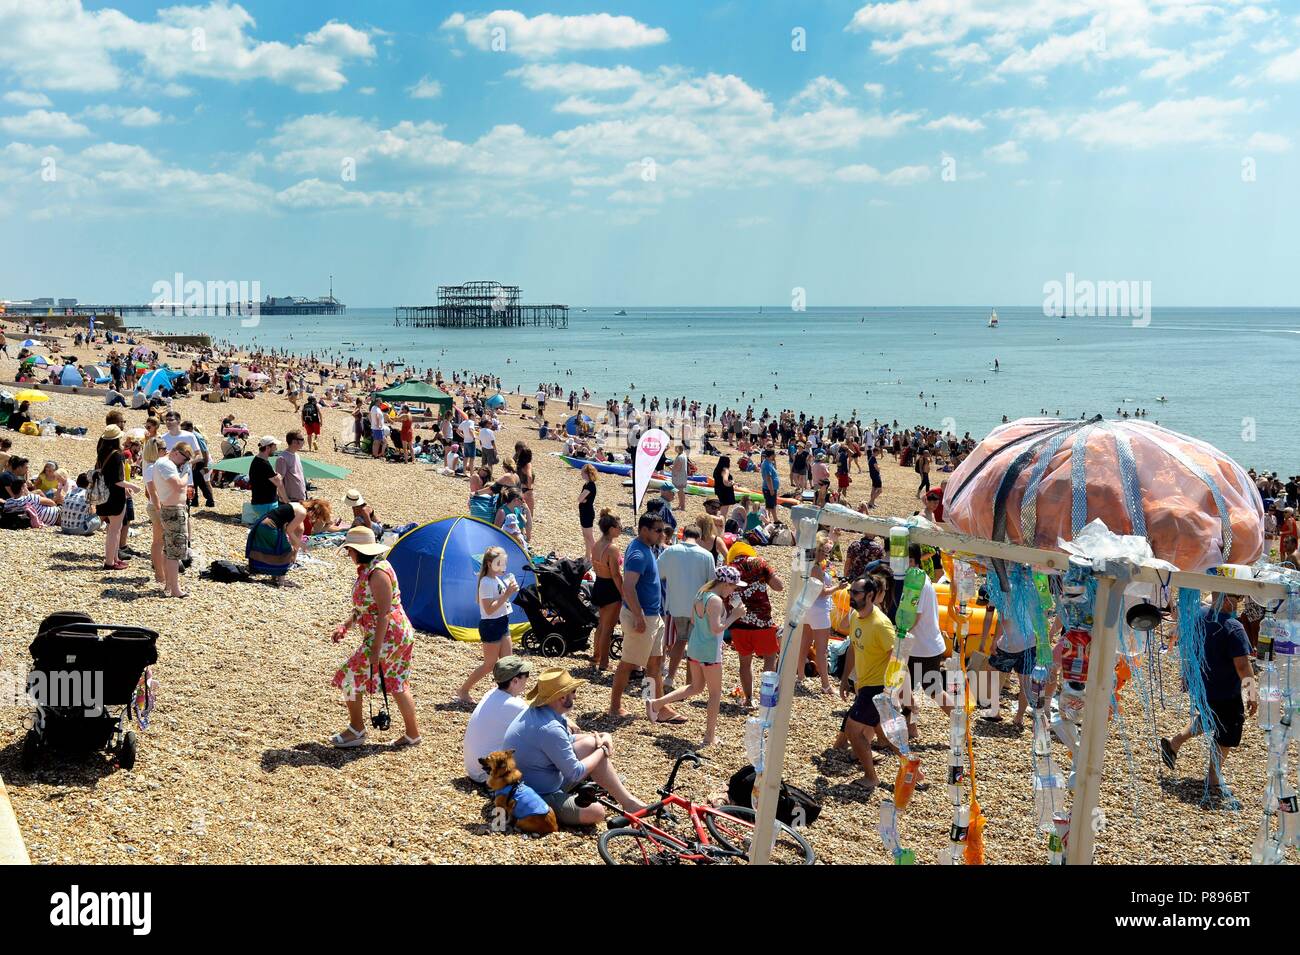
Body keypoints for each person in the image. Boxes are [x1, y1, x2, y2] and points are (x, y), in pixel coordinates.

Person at [503, 667, 646, 826]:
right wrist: (603, 750)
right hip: (533, 795)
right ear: (562, 697)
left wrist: (599, 737)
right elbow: (575, 773)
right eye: (574, 691)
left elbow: (565, 740)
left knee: (590, 743)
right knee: (597, 812)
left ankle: (628, 801)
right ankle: (625, 799)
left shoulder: (540, 712)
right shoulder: (550, 728)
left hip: (526, 782)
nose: (576, 696)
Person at [1161, 593, 1258, 806]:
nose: (1239, 602)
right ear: (1224, 598)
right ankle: (1213, 778)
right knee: (1228, 732)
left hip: (1202, 685)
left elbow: (1187, 646)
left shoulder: (1198, 616)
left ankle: (1174, 741)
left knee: (1208, 716)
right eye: (1237, 597)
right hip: (1226, 690)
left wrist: (1187, 675)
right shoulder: (1234, 627)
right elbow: (1243, 666)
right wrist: (1252, 694)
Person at [330, 526, 420, 747]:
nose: (348, 554)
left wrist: (376, 648)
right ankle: (412, 735)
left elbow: (384, 613)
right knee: (397, 682)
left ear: (358, 550)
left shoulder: (377, 572)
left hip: (388, 636)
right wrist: (346, 625)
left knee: (348, 678)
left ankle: (357, 729)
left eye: (349, 550)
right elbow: (364, 607)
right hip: (395, 634)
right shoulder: (369, 568)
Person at [647, 565, 747, 747]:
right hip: (709, 652)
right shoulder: (715, 600)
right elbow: (717, 628)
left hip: (695, 647)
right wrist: (735, 615)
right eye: (733, 586)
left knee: (695, 687)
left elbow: (695, 621)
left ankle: (656, 703)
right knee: (715, 694)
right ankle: (709, 736)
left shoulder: (700, 595)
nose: (734, 590)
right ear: (725, 583)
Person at [839, 575, 897, 794]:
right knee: (887, 733)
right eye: (850, 592)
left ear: (871, 595)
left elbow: (897, 656)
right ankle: (914, 769)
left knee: (854, 732)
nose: (851, 596)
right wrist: (845, 679)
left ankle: (871, 778)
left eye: (856, 593)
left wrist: (891, 689)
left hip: (878, 687)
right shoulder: (855, 616)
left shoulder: (881, 624)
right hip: (864, 684)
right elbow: (853, 648)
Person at [610, 512, 667, 718]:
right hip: (642, 616)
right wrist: (639, 616)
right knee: (628, 663)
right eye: (658, 530)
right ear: (644, 530)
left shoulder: (646, 548)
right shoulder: (639, 554)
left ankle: (654, 706)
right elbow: (628, 586)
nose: (662, 534)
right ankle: (614, 707)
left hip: (652, 615)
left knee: (654, 664)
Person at [899, 543, 953, 739]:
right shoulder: (917, 578)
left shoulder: (918, 582)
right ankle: (911, 728)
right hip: (921, 644)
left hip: (925, 647)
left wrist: (897, 633)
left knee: (934, 691)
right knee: (904, 689)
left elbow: (915, 617)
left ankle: (961, 726)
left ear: (913, 561)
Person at [657, 525, 718, 693]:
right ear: (699, 537)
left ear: (683, 535)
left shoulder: (670, 552)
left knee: (680, 641)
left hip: (675, 605)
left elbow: (659, 573)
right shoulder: (706, 555)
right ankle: (691, 682)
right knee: (694, 644)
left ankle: (669, 678)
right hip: (698, 607)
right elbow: (711, 583)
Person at [456, 546, 520, 703]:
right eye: (500, 563)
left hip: (503, 621)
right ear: (490, 563)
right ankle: (463, 690)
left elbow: (499, 604)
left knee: (508, 663)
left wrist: (509, 591)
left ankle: (507, 697)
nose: (503, 567)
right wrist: (506, 594)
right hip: (491, 625)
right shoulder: (485, 582)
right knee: (490, 664)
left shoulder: (497, 579)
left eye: (504, 563)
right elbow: (489, 609)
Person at [729, 548, 785, 710]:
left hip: (739, 623)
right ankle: (766, 699)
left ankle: (749, 699)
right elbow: (779, 586)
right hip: (763, 622)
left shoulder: (731, 567)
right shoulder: (759, 562)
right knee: (769, 658)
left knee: (745, 663)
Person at [463, 655, 533, 784]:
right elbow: (541, 723)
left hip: (473, 768)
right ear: (515, 681)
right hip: (488, 775)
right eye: (526, 676)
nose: (528, 679)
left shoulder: (491, 693)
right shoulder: (514, 705)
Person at [800, 533, 847, 695]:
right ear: (817, 551)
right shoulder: (816, 568)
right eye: (824, 552)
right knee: (822, 649)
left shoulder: (806, 564)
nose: (826, 555)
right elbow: (822, 592)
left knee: (805, 643)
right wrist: (838, 588)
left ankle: (800, 675)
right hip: (819, 610)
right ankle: (826, 684)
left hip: (807, 608)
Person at [151, 441, 193, 598]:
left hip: (170, 508)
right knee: (175, 551)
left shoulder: (163, 463)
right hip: (174, 510)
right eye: (184, 459)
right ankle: (175, 589)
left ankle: (169, 585)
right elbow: (179, 485)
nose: (184, 463)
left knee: (169, 549)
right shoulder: (166, 464)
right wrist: (186, 473)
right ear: (176, 453)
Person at [95, 425, 137, 570]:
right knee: (114, 530)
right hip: (115, 497)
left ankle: (115, 558)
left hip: (103, 495)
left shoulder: (101, 453)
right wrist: (132, 487)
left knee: (112, 529)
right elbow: (117, 480)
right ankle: (109, 562)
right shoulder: (117, 455)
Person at [590, 509, 624, 672]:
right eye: (618, 526)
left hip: (599, 584)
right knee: (608, 628)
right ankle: (604, 662)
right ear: (611, 528)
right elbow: (616, 575)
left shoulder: (597, 544)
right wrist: (624, 593)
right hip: (610, 587)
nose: (621, 528)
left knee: (601, 624)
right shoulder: (612, 548)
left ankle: (596, 655)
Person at [247, 501, 306, 584]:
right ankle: (281, 581)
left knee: (275, 549)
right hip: (269, 526)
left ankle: (274, 576)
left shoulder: (296, 505)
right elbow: (289, 530)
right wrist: (301, 544)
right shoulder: (303, 512)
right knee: (287, 550)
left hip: (262, 524)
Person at [249, 435, 281, 518]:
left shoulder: (257, 460)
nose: (276, 449)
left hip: (260, 503)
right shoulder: (263, 464)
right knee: (270, 528)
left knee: (264, 527)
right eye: (274, 446)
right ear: (268, 447)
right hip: (266, 504)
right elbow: (278, 482)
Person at [275, 430, 308, 503]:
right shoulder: (282, 458)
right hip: (291, 501)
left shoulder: (296, 455)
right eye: (302, 439)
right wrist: (286, 500)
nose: (303, 442)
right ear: (294, 441)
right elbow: (278, 481)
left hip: (300, 499)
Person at [577, 462, 598, 564]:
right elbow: (581, 500)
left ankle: (597, 558)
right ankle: (587, 557)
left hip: (588, 513)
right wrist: (583, 500)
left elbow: (580, 499)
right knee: (586, 536)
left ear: (587, 474)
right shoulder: (586, 484)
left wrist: (583, 500)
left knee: (590, 537)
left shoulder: (590, 486)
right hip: (584, 512)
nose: (581, 474)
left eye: (582, 473)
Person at [760, 447, 780, 523]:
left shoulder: (769, 462)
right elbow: (768, 478)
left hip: (770, 488)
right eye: (774, 454)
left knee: (772, 505)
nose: (775, 456)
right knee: (770, 506)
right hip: (768, 488)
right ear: (771, 455)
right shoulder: (767, 464)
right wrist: (771, 489)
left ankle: (774, 519)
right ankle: (769, 520)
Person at [671, 443, 690, 511]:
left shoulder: (680, 457)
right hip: (682, 476)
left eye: (676, 448)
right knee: (680, 492)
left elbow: (678, 468)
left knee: (680, 492)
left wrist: (671, 468)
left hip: (679, 476)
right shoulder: (683, 455)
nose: (675, 449)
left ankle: (682, 506)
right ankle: (681, 505)